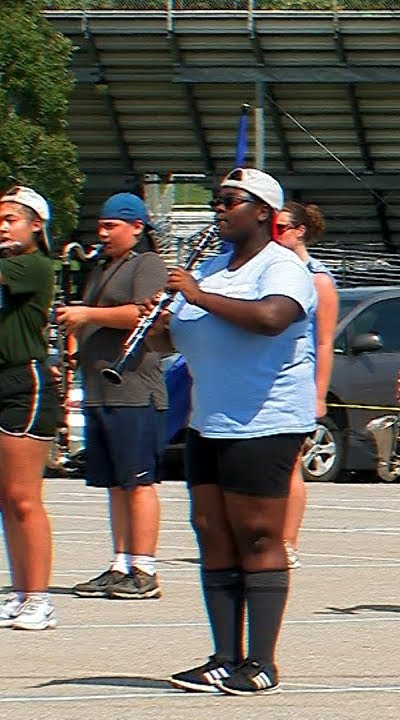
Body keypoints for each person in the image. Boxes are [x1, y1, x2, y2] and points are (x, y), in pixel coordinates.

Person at [154, 168, 318, 695]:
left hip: (265, 421)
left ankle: (262, 662)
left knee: (258, 535)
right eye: (216, 201)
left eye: (230, 201)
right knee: (211, 530)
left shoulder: (283, 267)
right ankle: (223, 656)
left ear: (264, 213)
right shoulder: (215, 268)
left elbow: (272, 318)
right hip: (210, 420)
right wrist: (155, 323)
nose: (219, 210)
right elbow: (172, 341)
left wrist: (198, 297)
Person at [62, 193, 168, 602]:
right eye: (101, 225)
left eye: (112, 226)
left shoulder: (148, 264)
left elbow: (144, 313)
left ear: (136, 228)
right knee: (115, 485)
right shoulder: (104, 267)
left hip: (135, 390)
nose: (102, 233)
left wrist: (87, 315)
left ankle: (145, 567)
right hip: (101, 389)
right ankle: (120, 562)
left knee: (138, 481)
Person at [0, 186, 60, 631]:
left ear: (36, 225)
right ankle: (21, 592)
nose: (2, 227)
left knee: (24, 498)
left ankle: (40, 599)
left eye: (10, 219)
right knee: (6, 499)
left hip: (26, 381)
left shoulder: (34, 265)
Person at [275, 201, 338, 570]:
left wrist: (318, 394)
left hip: (298, 378)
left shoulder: (316, 278)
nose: (275, 235)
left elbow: (325, 341)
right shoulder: (265, 269)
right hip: (265, 377)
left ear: (299, 231)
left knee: (290, 463)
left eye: (281, 228)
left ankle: (288, 541)